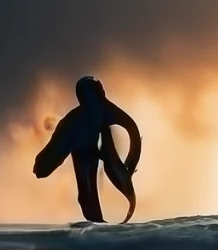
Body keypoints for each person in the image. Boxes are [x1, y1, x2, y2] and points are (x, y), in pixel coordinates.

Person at [33, 76, 141, 223]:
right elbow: (131, 129)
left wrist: (130, 163)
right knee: (85, 190)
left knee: (87, 190)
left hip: (88, 150)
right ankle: (97, 223)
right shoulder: (73, 121)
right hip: (81, 148)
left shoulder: (102, 111)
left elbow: (132, 130)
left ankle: (98, 223)